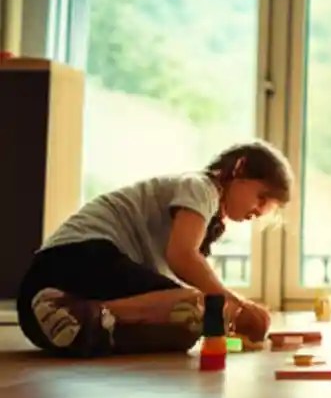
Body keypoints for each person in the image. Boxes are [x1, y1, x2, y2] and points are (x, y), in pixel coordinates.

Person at [16, 140, 290, 357]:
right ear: (239, 169)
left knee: (186, 324)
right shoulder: (201, 187)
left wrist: (225, 322)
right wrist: (237, 304)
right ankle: (85, 312)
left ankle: (83, 323)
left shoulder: (207, 216)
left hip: (41, 304)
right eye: (261, 196)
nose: (259, 210)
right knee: (193, 305)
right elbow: (182, 257)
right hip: (72, 260)